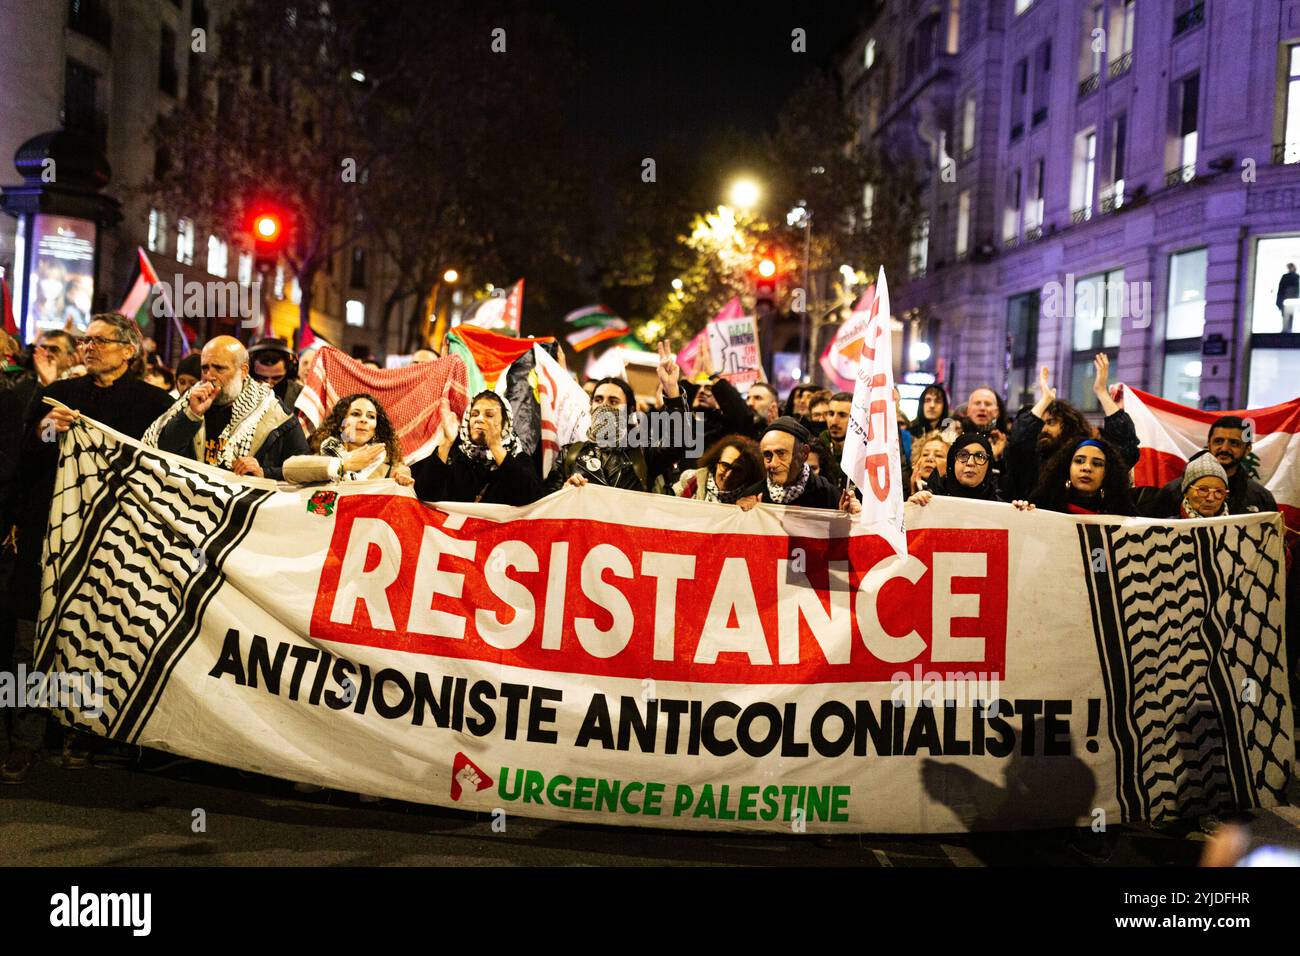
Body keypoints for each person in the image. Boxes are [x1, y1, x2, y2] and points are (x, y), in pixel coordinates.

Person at [6, 313, 175, 781]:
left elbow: (165, 468)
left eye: (100, 341)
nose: (89, 347)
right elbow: (22, 455)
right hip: (47, 535)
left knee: (96, 634)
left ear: (128, 350)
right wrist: (46, 431)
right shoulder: (58, 395)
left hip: (111, 539)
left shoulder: (153, 403)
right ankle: (25, 741)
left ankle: (84, 733)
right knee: (31, 638)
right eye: (85, 340)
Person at [142, 335, 309, 480]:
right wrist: (191, 416)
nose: (209, 376)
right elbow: (161, 453)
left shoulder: (275, 414)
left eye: (219, 368)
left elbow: (302, 469)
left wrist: (264, 472)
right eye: (205, 368)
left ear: (243, 371)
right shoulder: (190, 401)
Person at [551, 342, 687, 493]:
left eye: (613, 401)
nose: (604, 406)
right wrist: (563, 490)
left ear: (629, 410)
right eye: (598, 399)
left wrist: (672, 391)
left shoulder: (644, 452)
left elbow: (679, 444)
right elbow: (545, 500)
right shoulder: (569, 453)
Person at [1004, 356, 1139, 501]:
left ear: (1069, 426)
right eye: (1039, 424)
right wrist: (1045, 400)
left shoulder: (1086, 454)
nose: (1042, 429)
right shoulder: (1030, 464)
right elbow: (1018, 442)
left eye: (1051, 422)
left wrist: (1101, 392)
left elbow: (1125, 448)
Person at [413, 391, 543, 504]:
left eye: (489, 415)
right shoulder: (454, 454)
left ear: (505, 423)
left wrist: (495, 447)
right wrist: (446, 443)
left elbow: (530, 498)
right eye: (474, 414)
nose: (479, 419)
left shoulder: (518, 458)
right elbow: (425, 494)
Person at [1142, 416, 1277, 516]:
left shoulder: (1260, 497)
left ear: (1247, 449)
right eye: (1218, 441)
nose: (1224, 448)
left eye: (1234, 443)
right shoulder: (1173, 491)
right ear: (1208, 443)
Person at [282, 393, 413, 486]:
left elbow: (405, 476)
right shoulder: (324, 456)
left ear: (375, 429)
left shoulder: (392, 469)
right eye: (355, 414)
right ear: (341, 425)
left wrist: (402, 481)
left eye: (371, 417)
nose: (364, 419)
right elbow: (288, 469)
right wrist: (344, 464)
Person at [737, 417, 848, 511]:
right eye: (767, 455)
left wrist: (850, 516)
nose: (773, 464)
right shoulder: (752, 496)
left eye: (781, 453)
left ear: (804, 454)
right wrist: (741, 514)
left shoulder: (827, 495)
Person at [1029, 437, 1136, 516]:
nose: (1087, 468)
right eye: (1079, 461)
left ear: (1108, 472)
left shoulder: (1121, 509)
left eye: (1097, 464)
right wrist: (1022, 511)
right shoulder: (1043, 503)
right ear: (1067, 467)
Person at [908, 433, 1004, 505]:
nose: (970, 462)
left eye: (980, 456)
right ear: (952, 463)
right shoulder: (928, 498)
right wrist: (913, 505)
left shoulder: (1001, 506)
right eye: (963, 455)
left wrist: (1016, 513)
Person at [672, 434, 763, 503]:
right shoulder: (690, 479)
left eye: (737, 470)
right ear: (716, 461)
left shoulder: (751, 499)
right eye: (725, 465)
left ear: (747, 474)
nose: (728, 475)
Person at [247, 337, 303, 411]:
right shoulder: (240, 392)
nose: (269, 383)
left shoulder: (301, 396)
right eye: (263, 377)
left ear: (289, 370)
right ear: (251, 370)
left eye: (276, 378)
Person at [1170, 452, 1230, 518]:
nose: (1210, 498)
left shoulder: (1238, 526)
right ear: (1186, 492)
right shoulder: (1167, 526)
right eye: (1202, 489)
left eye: (1219, 491)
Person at [1277, 263, 1299, 328]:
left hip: (1291, 298)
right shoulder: (1286, 276)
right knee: (1286, 314)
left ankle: (1288, 329)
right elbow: (1281, 288)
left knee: (1289, 314)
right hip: (1286, 297)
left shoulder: (1295, 277)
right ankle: (1286, 329)